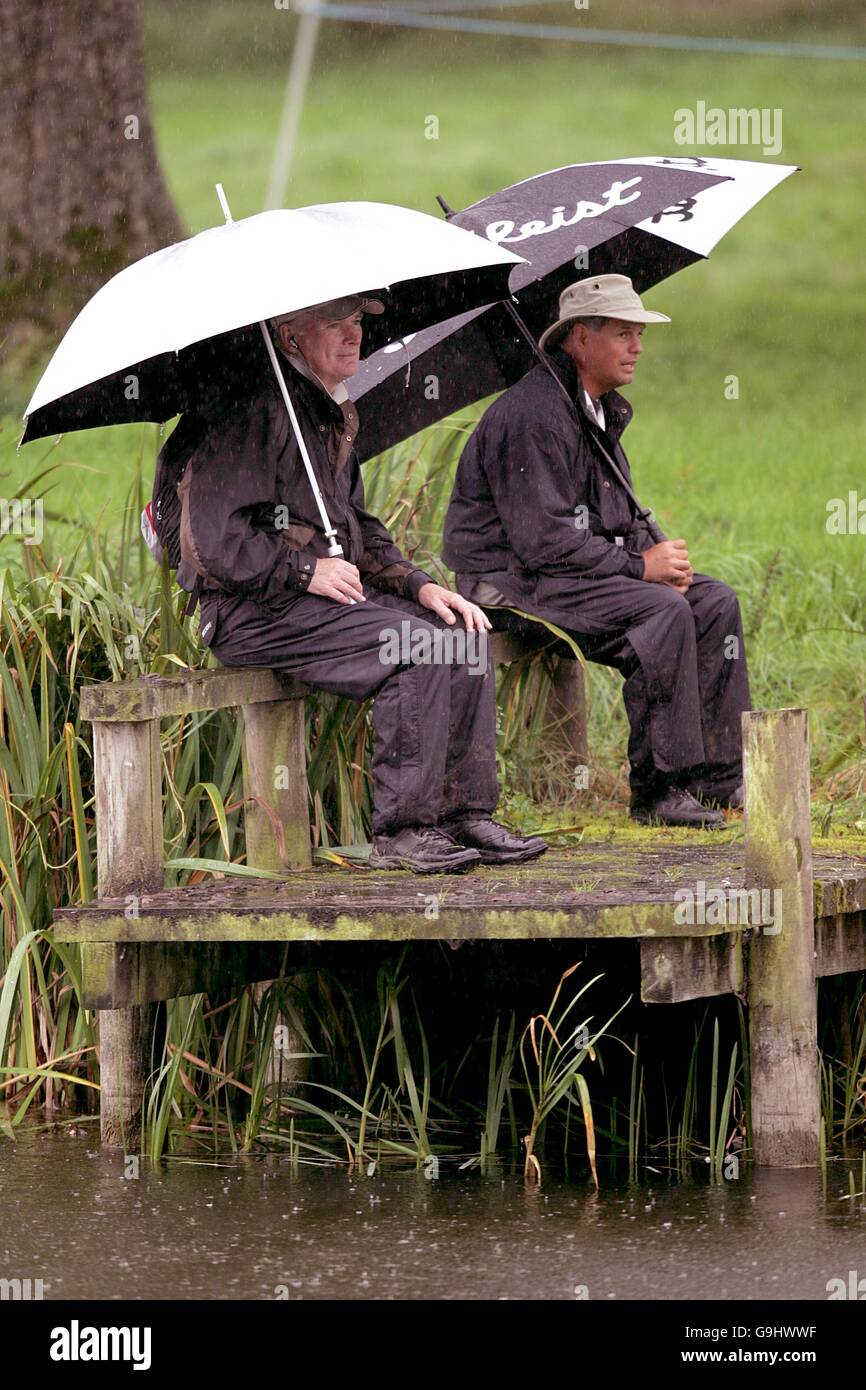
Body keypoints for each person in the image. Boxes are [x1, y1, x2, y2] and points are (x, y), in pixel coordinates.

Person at [170, 294, 547, 871]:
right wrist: (302, 569)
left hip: (315, 599)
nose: (355, 336)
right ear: (291, 339)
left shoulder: (321, 410)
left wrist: (420, 586)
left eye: (357, 323)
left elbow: (355, 529)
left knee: (462, 632)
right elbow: (213, 542)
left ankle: (464, 816)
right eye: (335, 325)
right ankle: (402, 833)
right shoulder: (250, 408)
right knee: (418, 649)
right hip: (246, 610)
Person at [442, 274, 751, 829]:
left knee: (713, 602)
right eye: (624, 334)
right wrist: (639, 569)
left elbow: (606, 518)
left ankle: (721, 780)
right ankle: (659, 790)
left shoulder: (594, 409)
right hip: (509, 585)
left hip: (561, 573)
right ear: (580, 340)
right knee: (660, 613)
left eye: (639, 334)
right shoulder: (534, 415)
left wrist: (654, 554)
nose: (637, 347)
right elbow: (543, 542)